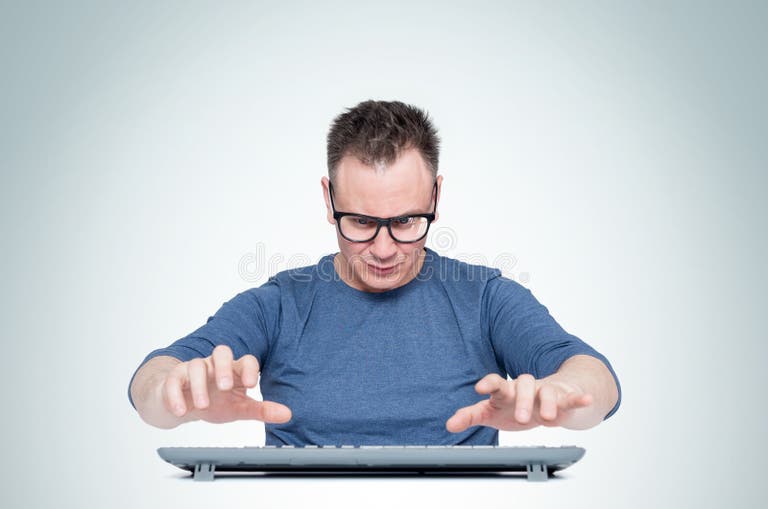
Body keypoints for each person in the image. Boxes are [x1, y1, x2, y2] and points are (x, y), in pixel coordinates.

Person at [128, 100, 621, 446]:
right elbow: (150, 382)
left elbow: (596, 381)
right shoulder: (280, 303)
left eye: (406, 221)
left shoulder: (485, 298)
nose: (384, 249)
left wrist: (562, 397)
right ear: (329, 200)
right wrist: (177, 393)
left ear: (435, 199)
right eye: (361, 222)